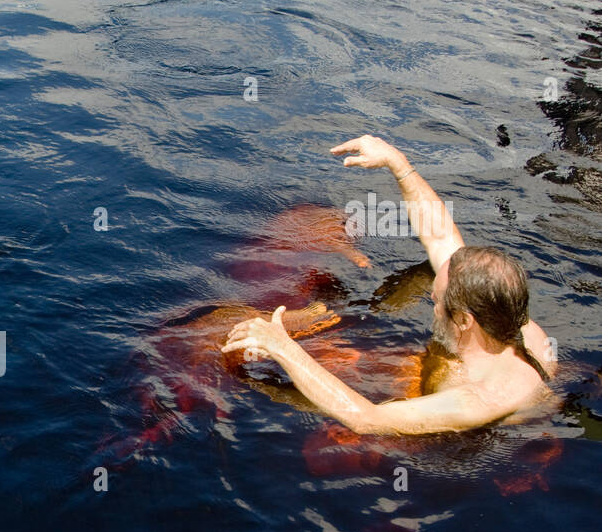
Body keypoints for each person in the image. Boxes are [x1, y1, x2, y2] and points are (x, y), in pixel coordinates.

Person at [222, 135, 556, 435]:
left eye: (438, 300)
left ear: (465, 319)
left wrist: (283, 348)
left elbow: (367, 420)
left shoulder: (480, 398)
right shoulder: (508, 319)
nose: (431, 300)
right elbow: (441, 238)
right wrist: (399, 164)